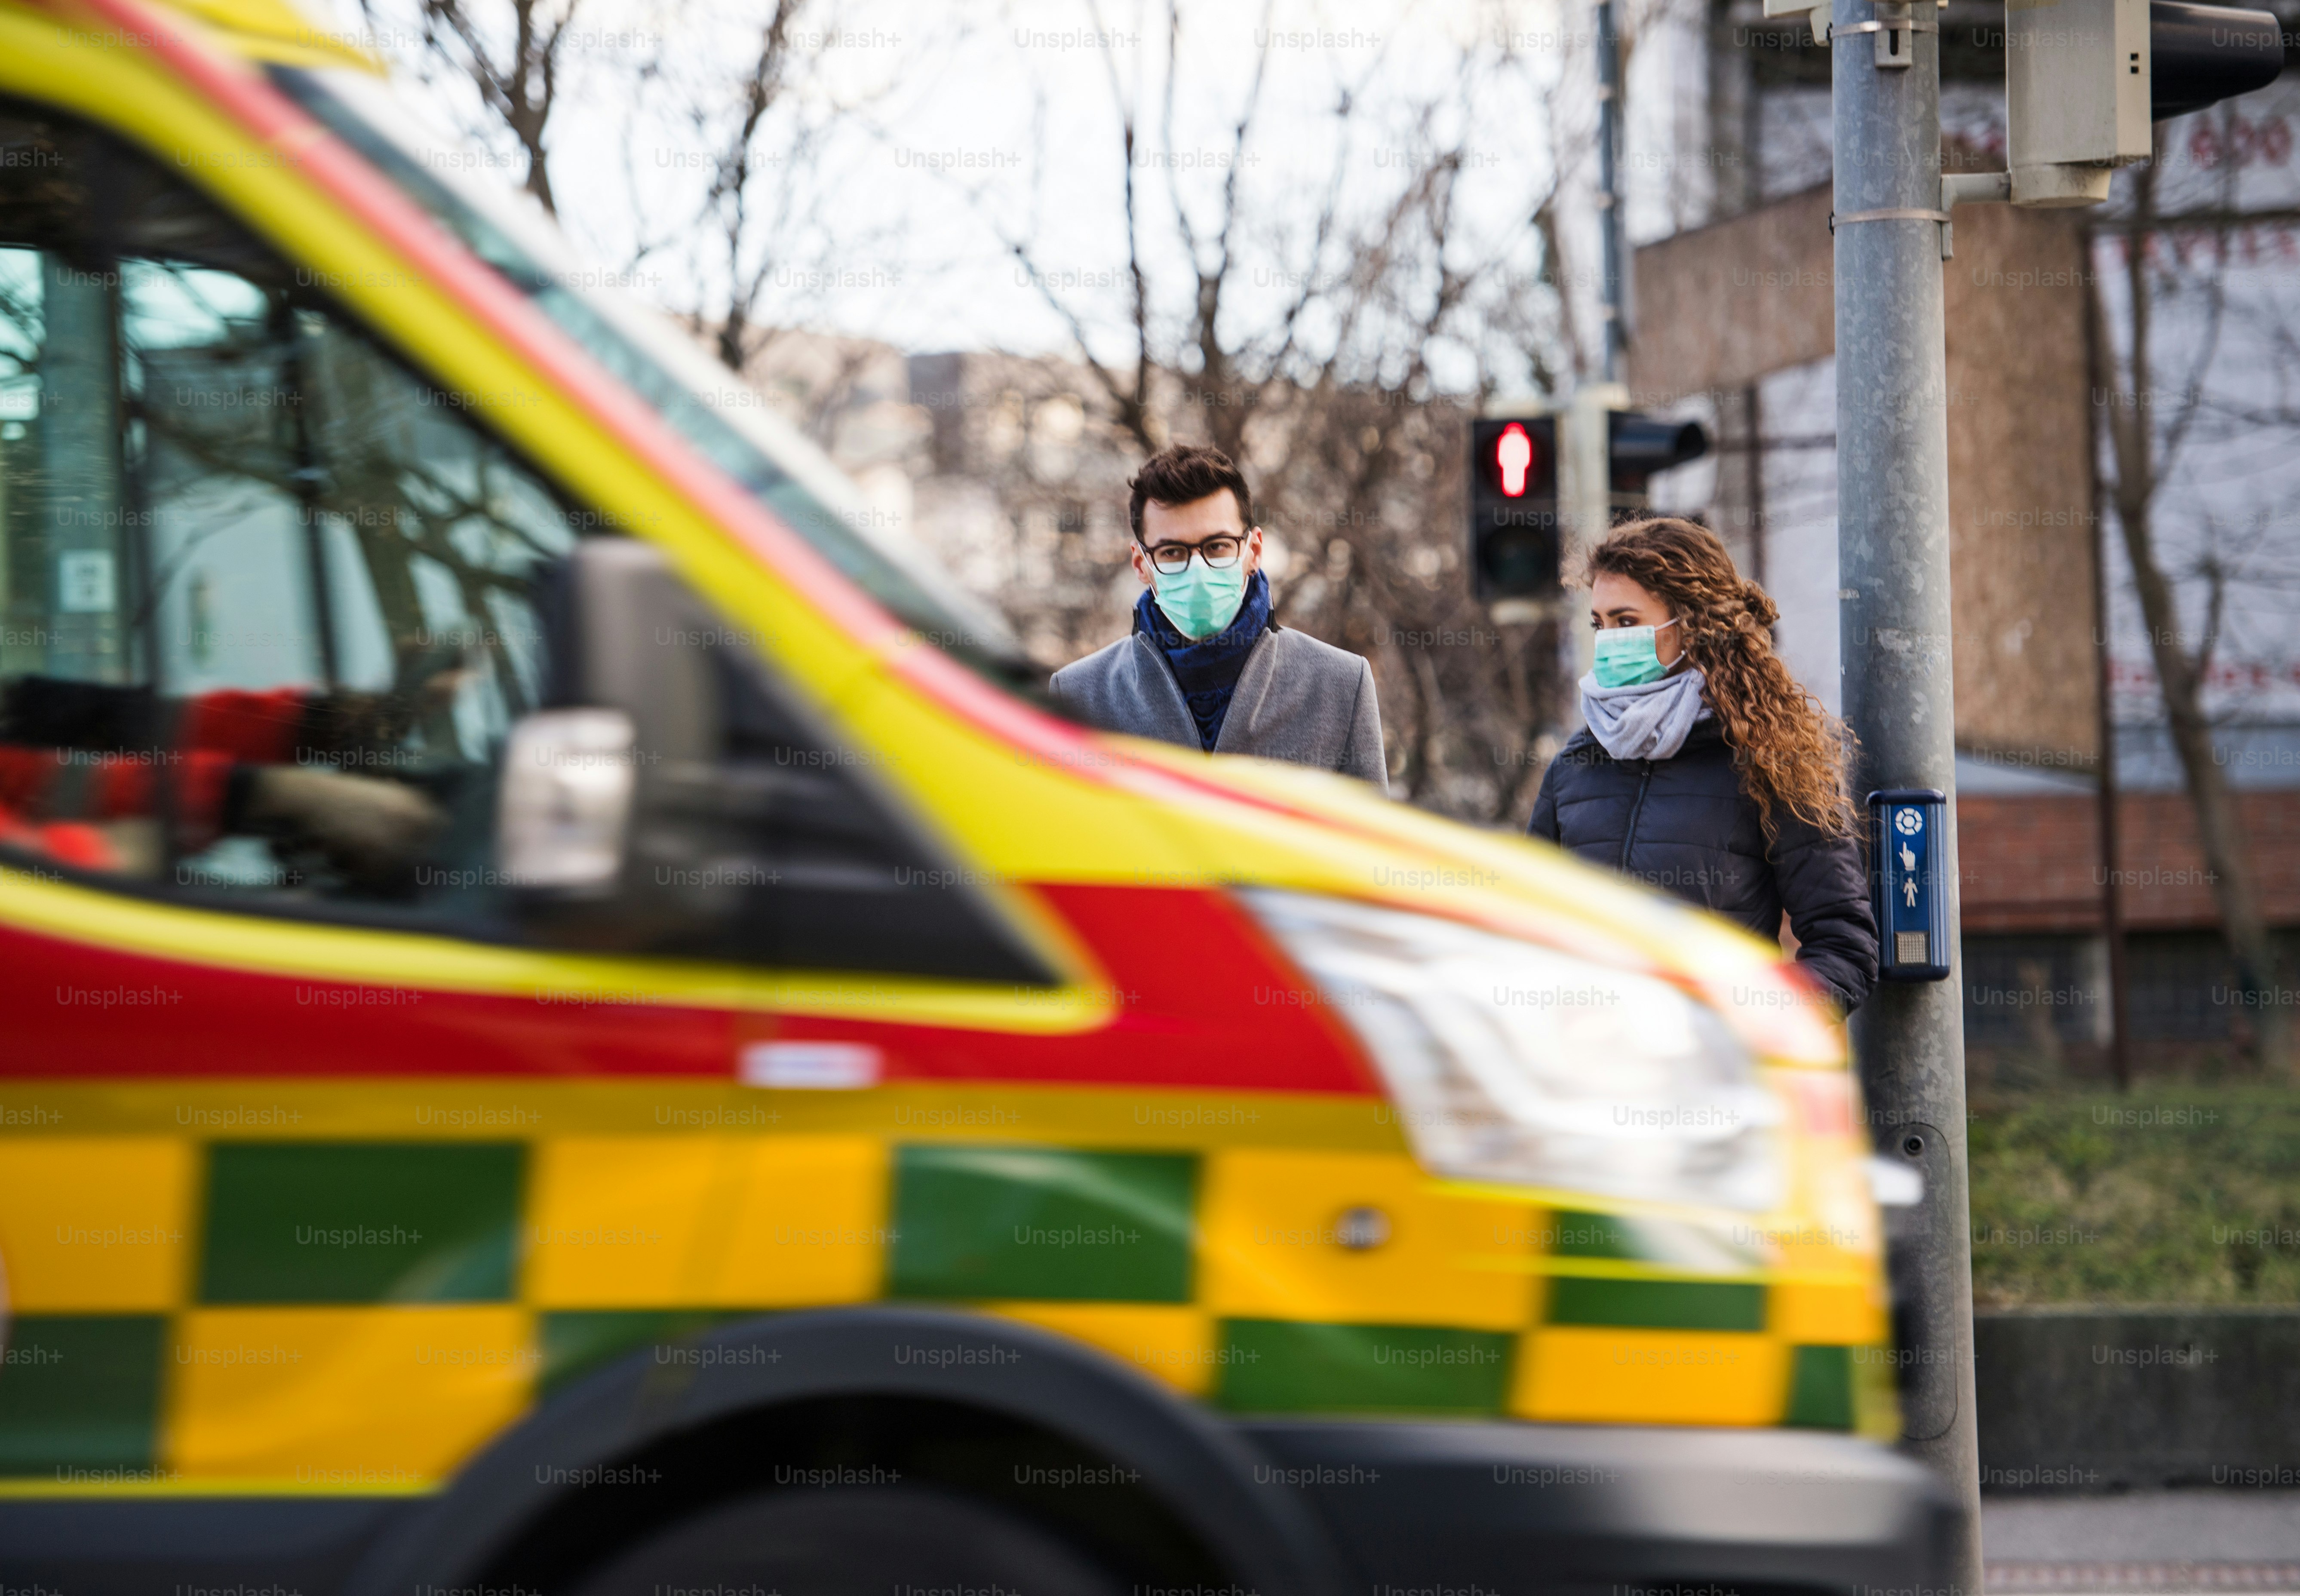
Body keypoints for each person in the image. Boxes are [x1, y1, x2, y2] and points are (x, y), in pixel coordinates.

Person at [1528, 517, 1877, 1010]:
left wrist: (1748, 1034)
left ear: (1691, 623)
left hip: (1713, 1082)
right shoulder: (1574, 767)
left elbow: (1844, 949)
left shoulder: (1769, 762)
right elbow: (1524, 929)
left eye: (1626, 622)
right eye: (1599, 623)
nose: (1608, 639)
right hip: (1587, 1078)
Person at [1051, 445, 1388, 792]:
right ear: (1141, 563)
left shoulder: (1338, 685)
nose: (1197, 570)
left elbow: (1372, 842)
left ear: (1253, 551)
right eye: (1172, 552)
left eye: (1217, 546)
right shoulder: (1079, 695)